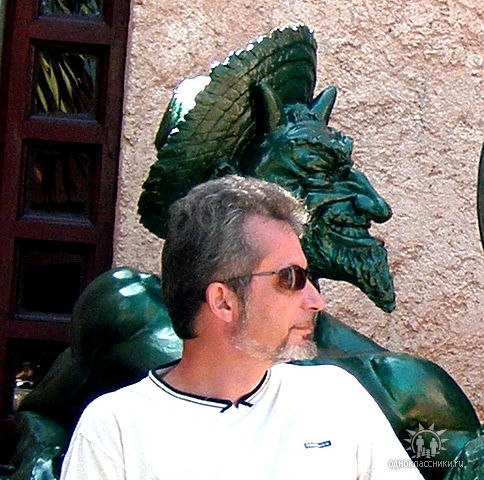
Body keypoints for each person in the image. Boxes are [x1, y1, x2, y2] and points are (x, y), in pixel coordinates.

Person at [60, 175, 423, 480]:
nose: (316, 300)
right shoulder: (116, 429)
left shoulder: (336, 398)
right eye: (291, 278)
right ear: (223, 301)